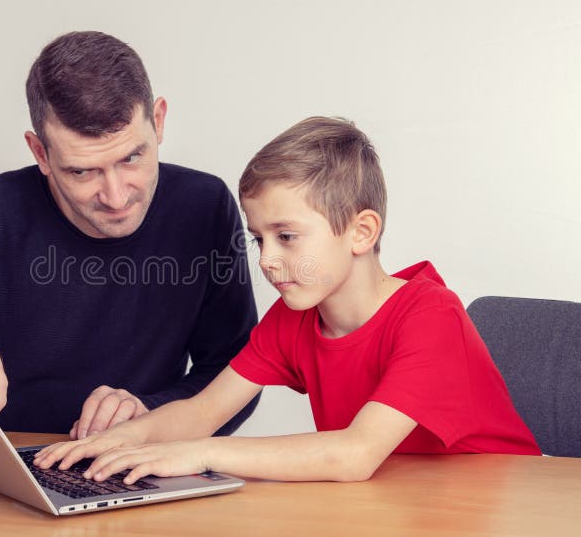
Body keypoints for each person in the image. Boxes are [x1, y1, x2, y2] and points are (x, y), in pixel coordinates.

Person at [33, 116, 540, 484]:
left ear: (361, 232)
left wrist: (202, 455)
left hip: (505, 507)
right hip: (400, 505)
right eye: (259, 238)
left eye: (287, 237)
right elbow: (202, 411)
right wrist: (124, 441)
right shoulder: (293, 319)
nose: (267, 261)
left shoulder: (431, 317)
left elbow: (353, 455)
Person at [0, 31, 259, 439]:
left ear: (159, 121)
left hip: (141, 463)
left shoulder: (204, 206)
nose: (117, 197)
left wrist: (149, 415)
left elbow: (238, 373)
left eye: (132, 157)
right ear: (40, 153)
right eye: (82, 171)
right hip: (9, 469)